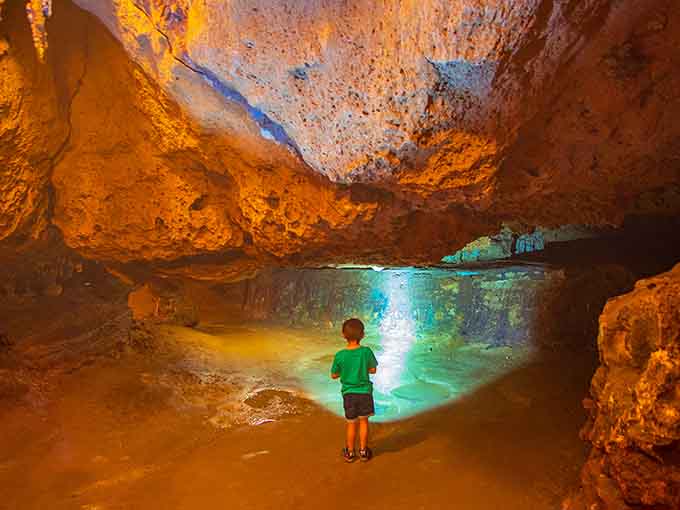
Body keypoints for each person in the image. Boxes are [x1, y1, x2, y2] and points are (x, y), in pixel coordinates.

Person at [330, 318, 378, 463]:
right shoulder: (366, 352)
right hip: (364, 392)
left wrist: (344, 373)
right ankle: (363, 451)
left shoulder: (340, 355)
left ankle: (350, 452)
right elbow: (373, 369)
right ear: (362, 335)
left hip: (349, 394)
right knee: (364, 422)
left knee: (351, 423)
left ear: (343, 335)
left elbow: (333, 375)